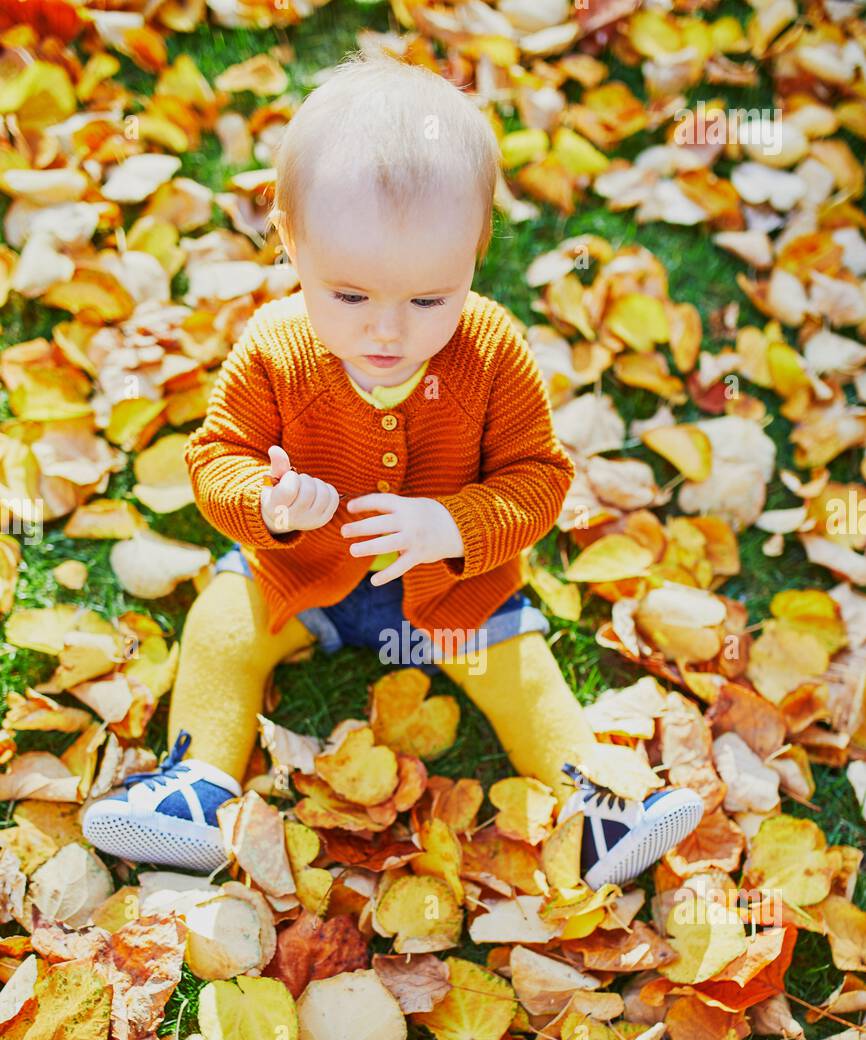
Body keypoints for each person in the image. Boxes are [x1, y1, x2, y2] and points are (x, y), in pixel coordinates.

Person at [83, 52, 702, 888]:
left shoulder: (491, 354)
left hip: (451, 587)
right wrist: (267, 505)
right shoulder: (274, 349)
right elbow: (213, 458)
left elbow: (539, 479)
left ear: (475, 260)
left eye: (427, 301)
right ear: (290, 245)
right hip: (302, 569)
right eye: (348, 297)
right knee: (225, 628)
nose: (387, 333)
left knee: (519, 665)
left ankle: (591, 805)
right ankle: (196, 787)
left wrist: (452, 524)